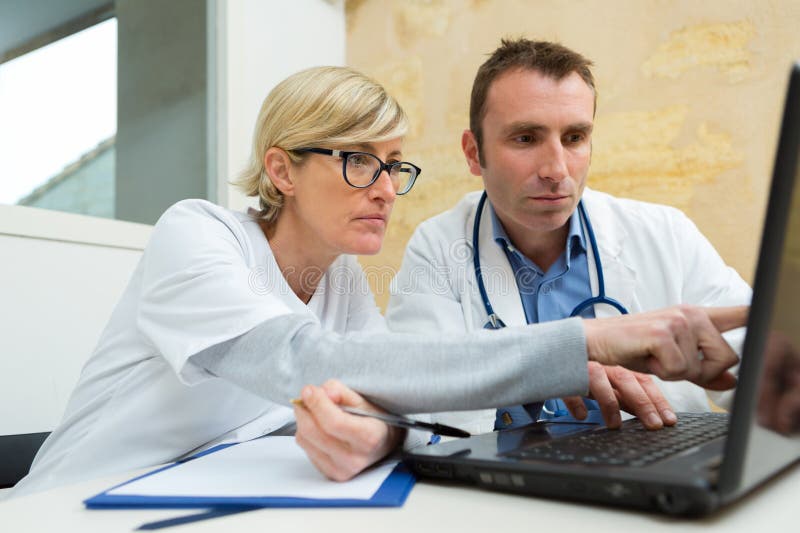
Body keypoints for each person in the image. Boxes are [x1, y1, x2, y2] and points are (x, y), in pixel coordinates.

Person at [12, 65, 742, 497]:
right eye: (360, 161)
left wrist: (377, 433)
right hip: (75, 504)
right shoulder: (198, 234)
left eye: (393, 165)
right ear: (281, 169)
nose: (388, 189)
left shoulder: (343, 284)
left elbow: (397, 392)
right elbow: (299, 359)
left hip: (205, 502)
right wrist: (588, 342)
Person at [294, 40, 751, 481]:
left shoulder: (665, 234)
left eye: (575, 137)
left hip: (658, 475)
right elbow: (419, 399)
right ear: (474, 153)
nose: (556, 169)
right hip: (512, 492)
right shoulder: (438, 247)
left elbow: (761, 364)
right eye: (526, 138)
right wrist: (555, 364)